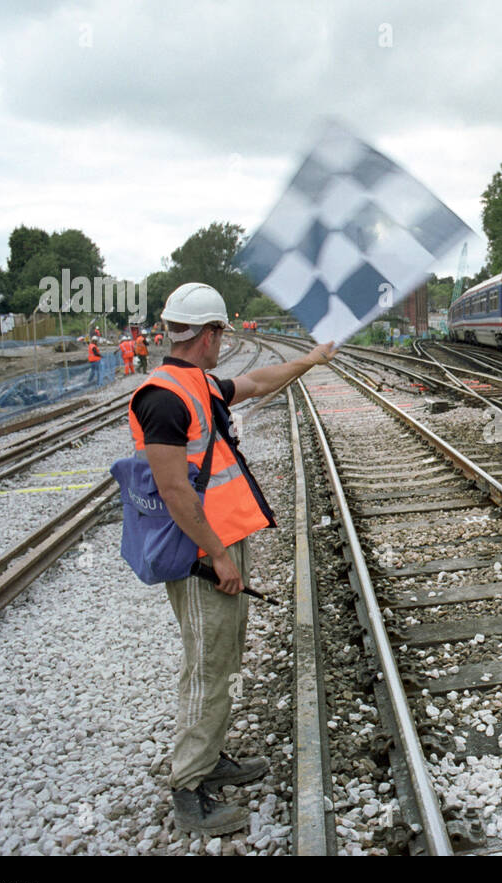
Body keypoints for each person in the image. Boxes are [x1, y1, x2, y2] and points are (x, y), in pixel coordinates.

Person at [127, 282, 335, 835]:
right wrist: (220, 557)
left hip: (217, 544)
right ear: (210, 334)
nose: (227, 340)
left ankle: (211, 757)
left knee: (224, 653)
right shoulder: (163, 398)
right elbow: (174, 491)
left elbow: (260, 380)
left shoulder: (198, 385)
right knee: (207, 665)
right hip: (198, 554)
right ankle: (188, 787)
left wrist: (311, 361)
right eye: (223, 331)